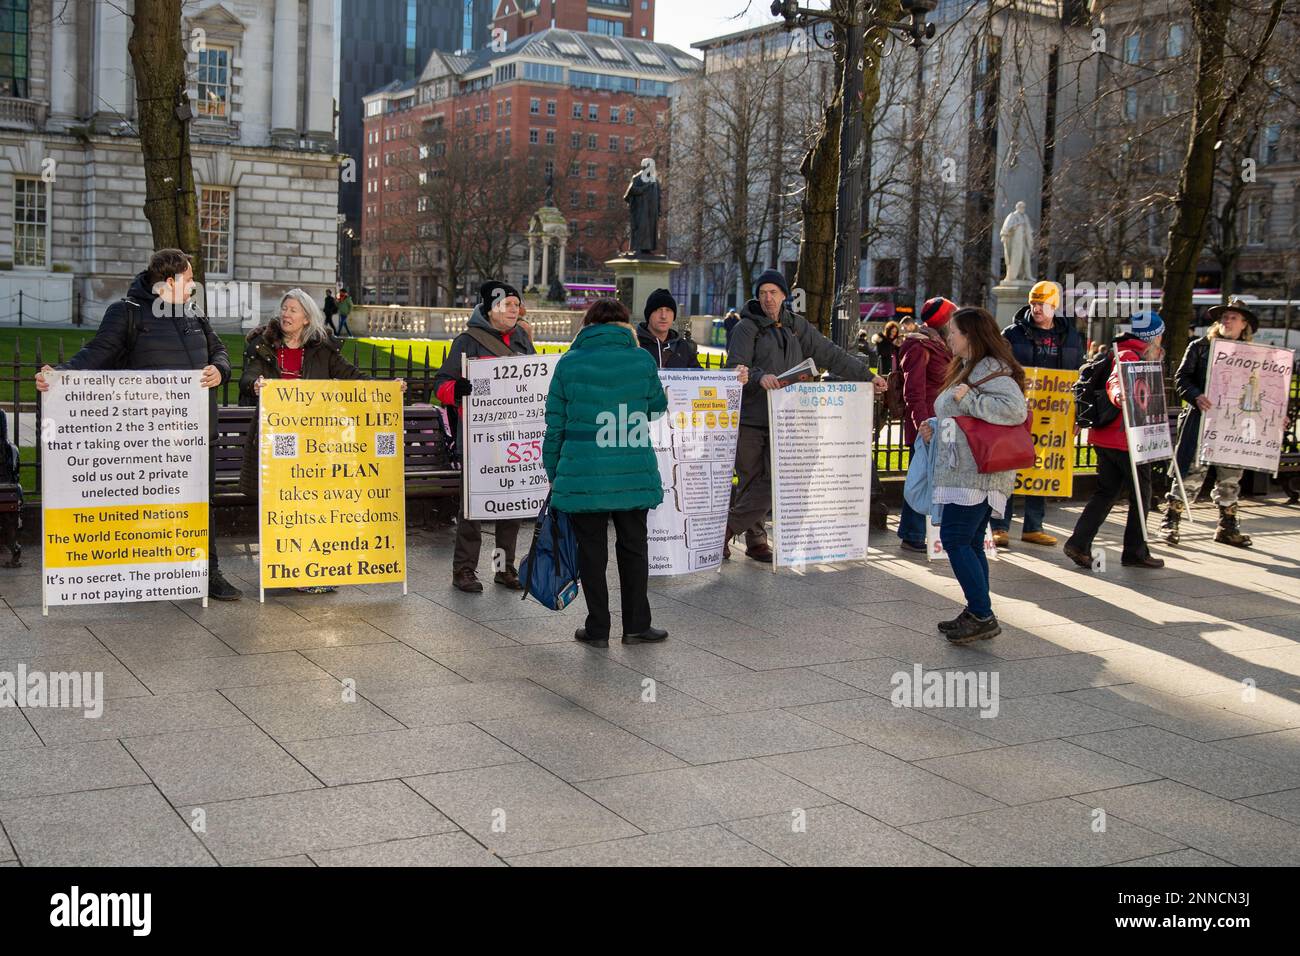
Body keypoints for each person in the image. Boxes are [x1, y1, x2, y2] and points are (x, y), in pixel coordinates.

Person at [34, 248, 242, 601]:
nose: (195, 286)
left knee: (200, 505)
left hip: (196, 434)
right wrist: (61, 375)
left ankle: (209, 573)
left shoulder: (194, 313)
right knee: (150, 505)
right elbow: (98, 354)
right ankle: (148, 574)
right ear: (172, 281)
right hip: (151, 437)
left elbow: (220, 351)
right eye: (190, 279)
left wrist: (219, 370)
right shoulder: (126, 314)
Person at [239, 289, 405, 594]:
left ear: (306, 318)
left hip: (312, 441)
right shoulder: (262, 344)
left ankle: (310, 567)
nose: (286, 314)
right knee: (282, 505)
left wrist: (387, 388)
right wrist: (256, 384)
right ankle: (288, 567)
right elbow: (247, 378)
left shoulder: (321, 348)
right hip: (275, 441)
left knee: (310, 506)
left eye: (293, 310)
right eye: (284, 308)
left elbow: (352, 376)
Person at [723, 269, 888, 562]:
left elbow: (832, 355)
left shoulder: (797, 327)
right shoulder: (746, 328)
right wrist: (758, 376)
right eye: (762, 293)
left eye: (773, 292)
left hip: (787, 419)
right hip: (751, 417)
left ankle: (725, 530)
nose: (767, 298)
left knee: (776, 478)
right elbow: (736, 368)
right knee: (750, 480)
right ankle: (755, 540)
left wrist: (867, 375)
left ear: (785, 296)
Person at [543, 298, 669, 647]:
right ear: (625, 325)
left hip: (583, 472)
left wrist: (554, 470)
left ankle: (598, 628)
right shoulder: (642, 359)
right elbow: (658, 407)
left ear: (588, 326)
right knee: (633, 546)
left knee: (591, 551)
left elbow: (555, 425)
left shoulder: (569, 363)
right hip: (633, 469)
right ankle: (637, 626)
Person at [918, 306, 1028, 643]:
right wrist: (935, 425)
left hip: (977, 475)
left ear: (971, 336)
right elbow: (963, 417)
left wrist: (971, 400)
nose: (948, 336)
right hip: (965, 470)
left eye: (954, 332)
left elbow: (1015, 410)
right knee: (970, 541)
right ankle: (978, 610)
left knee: (954, 539)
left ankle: (981, 613)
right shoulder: (969, 367)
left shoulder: (991, 369)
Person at [433, 281, 535, 593]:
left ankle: (502, 568)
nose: (513, 310)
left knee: (510, 508)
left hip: (513, 438)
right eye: (507, 305)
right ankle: (464, 570)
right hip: (479, 441)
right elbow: (441, 386)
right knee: (473, 509)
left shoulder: (522, 339)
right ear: (490, 308)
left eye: (516, 305)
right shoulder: (467, 341)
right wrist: (456, 390)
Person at [1063, 311, 1167, 571]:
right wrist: (1120, 395)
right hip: (1127, 440)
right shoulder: (1130, 355)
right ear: (1153, 336)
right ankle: (1135, 551)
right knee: (1141, 496)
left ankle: (1079, 543)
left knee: (1107, 492)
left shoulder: (1123, 350)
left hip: (1108, 438)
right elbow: (1116, 382)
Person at [990, 280, 1086, 549]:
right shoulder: (1013, 334)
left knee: (1044, 466)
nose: (1036, 308)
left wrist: (1077, 413)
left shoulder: (1070, 337)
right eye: (1033, 303)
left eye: (1042, 304)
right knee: (1009, 466)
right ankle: (999, 526)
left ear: (1054, 306)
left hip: (1053, 415)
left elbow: (1079, 377)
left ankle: (1034, 526)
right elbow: (999, 369)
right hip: (1016, 411)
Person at [1162, 298, 1258, 548]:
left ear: (1244, 323)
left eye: (1233, 317)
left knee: (1230, 477)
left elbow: (1260, 391)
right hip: (1202, 421)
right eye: (1224, 316)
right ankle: (1171, 523)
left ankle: (1227, 528)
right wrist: (1196, 395)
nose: (1227, 320)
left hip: (1233, 426)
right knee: (1191, 473)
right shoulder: (1200, 347)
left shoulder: (1252, 355)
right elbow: (1181, 378)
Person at [896, 297, 956, 552]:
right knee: (920, 477)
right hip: (925, 426)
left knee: (933, 478)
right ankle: (911, 533)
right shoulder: (919, 347)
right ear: (943, 322)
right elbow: (913, 392)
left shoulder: (940, 345)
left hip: (941, 422)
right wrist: (923, 425)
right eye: (951, 317)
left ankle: (922, 531)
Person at [636, 289, 700, 369]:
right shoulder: (634, 344)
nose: (663, 316)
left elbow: (699, 377)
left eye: (668, 310)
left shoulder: (683, 347)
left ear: (674, 316)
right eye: (658, 310)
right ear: (648, 315)